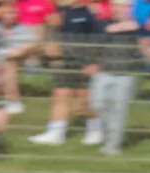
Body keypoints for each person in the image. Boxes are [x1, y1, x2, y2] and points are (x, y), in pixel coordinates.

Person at [28, 0, 104, 147]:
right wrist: (52, 29)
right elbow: (52, 33)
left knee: (84, 98)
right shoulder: (61, 12)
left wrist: (93, 62)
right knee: (60, 94)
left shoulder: (88, 14)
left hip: (83, 61)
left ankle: (95, 129)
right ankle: (56, 132)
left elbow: (97, 40)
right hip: (64, 59)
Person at [88, 0, 143, 155]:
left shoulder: (136, 26)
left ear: (129, 9)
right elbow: (99, 37)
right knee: (97, 105)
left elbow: (136, 28)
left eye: (123, 6)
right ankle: (110, 133)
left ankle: (112, 146)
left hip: (125, 74)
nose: (120, 10)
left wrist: (120, 27)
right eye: (116, 6)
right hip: (103, 72)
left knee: (118, 111)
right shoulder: (102, 23)